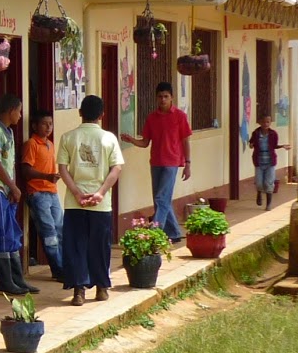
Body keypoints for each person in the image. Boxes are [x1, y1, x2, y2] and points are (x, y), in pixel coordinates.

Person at [56, 94, 124, 306]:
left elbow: (62, 169)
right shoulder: (109, 138)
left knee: (76, 245)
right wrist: (101, 192)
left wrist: (76, 192)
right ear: (102, 115)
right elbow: (116, 169)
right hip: (100, 204)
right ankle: (102, 287)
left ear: (80, 113)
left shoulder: (68, 137)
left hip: (74, 203)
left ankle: (78, 291)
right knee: (100, 246)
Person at [121, 81, 191, 244]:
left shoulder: (180, 116)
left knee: (161, 198)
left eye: (166, 96)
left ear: (172, 98)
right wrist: (132, 140)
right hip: (156, 163)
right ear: (156, 98)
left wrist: (188, 164)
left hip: (172, 163)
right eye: (160, 97)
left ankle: (154, 233)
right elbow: (145, 142)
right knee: (161, 199)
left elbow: (186, 141)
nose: (163, 100)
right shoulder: (152, 118)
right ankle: (173, 233)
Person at [0, 93, 35, 295]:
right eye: (19, 111)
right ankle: (5, 281)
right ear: (11, 111)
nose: (20, 116)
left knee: (12, 234)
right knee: (1, 235)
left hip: (5, 190)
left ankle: (17, 279)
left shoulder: (8, 132)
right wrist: (12, 186)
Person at [18, 113, 65, 283]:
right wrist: (46, 177)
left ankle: (63, 266)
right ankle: (58, 269)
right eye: (44, 124)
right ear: (34, 126)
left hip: (52, 192)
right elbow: (26, 171)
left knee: (60, 230)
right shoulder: (31, 144)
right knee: (49, 233)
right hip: (38, 194)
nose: (48, 127)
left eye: (50, 124)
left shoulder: (50, 144)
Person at [249, 112, 283, 208]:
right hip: (259, 161)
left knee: (269, 182)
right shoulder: (255, 133)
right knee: (259, 182)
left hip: (270, 162)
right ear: (260, 122)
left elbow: (274, 146)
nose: (266, 124)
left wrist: (283, 146)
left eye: (268, 122)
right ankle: (259, 193)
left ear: (270, 123)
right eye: (264, 122)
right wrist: (251, 145)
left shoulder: (273, 134)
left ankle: (268, 204)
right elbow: (251, 143)